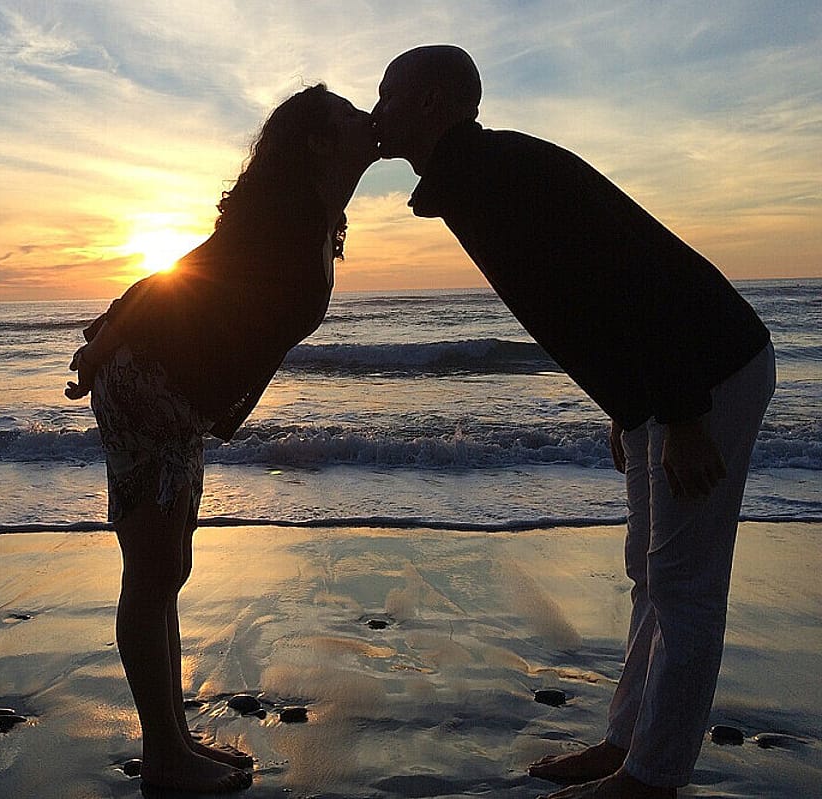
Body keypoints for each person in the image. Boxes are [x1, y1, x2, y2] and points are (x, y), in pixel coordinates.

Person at [372, 45, 775, 799]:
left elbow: (635, 277)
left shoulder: (499, 173)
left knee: (684, 585)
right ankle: (627, 742)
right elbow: (579, 309)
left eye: (387, 92)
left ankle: (652, 778)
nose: (377, 108)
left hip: (712, 368)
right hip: (669, 380)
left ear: (429, 102)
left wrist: (683, 412)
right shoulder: (469, 177)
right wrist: (628, 407)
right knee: (649, 573)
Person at [65, 84, 378, 793]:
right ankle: (164, 758)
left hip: (177, 394)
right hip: (147, 382)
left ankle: (172, 739)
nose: (370, 121)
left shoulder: (316, 217)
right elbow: (177, 275)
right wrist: (106, 338)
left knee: (169, 566)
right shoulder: (282, 215)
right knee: (151, 573)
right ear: (320, 140)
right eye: (353, 115)